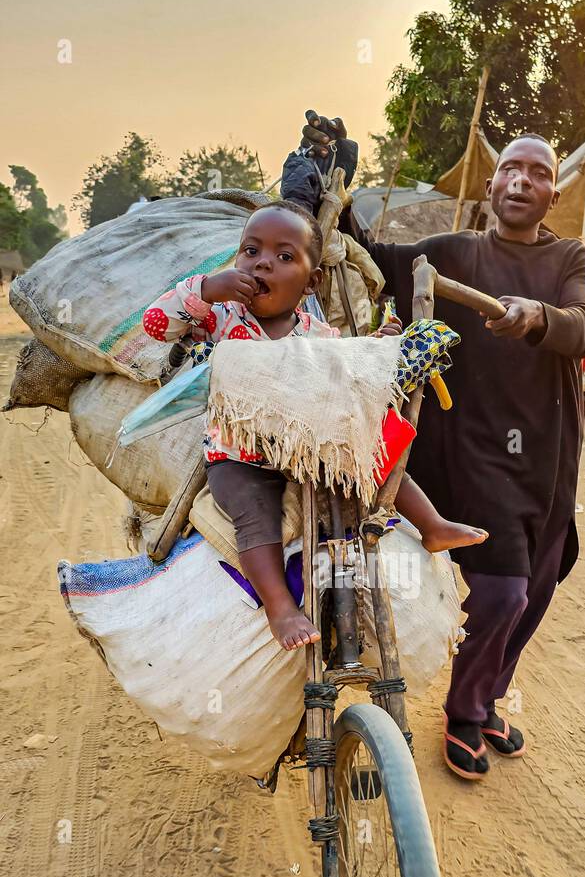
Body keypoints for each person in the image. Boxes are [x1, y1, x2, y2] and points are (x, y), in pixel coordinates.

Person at [283, 117, 585, 778]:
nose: (522, 179)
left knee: (538, 589)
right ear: (491, 185)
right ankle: (462, 712)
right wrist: (327, 175)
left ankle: (484, 699)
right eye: (511, 168)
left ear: (551, 195)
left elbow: (583, 326)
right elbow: (359, 254)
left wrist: (537, 316)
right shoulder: (446, 254)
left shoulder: (567, 260)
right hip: (472, 453)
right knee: (503, 594)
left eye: (538, 173)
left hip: (548, 456)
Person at [142, 200, 486, 650]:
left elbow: (348, 375)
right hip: (238, 455)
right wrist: (207, 288)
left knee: (371, 450)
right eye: (251, 251)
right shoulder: (220, 318)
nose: (264, 262)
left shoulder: (318, 336)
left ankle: (433, 524)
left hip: (306, 445)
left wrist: (376, 348)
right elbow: (156, 324)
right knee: (253, 516)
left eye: (285, 257)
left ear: (312, 282)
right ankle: (280, 607)